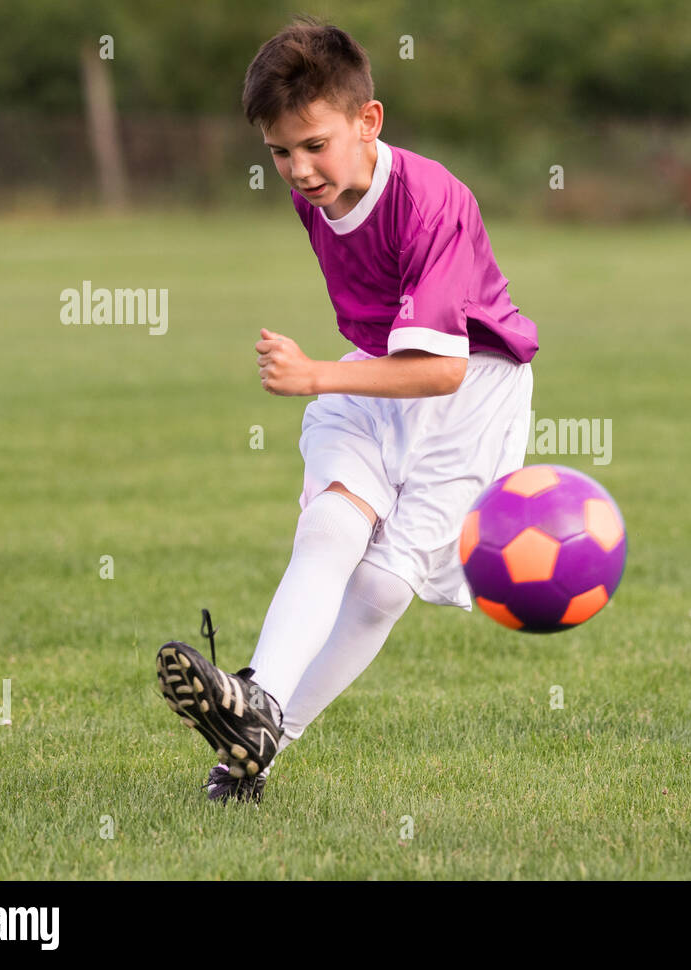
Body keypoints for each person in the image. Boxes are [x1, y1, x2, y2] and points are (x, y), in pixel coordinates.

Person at [156, 17, 538, 802]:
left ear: (370, 122)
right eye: (279, 153)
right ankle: (256, 698)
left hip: (468, 394)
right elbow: (393, 349)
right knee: (333, 521)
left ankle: (255, 750)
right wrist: (332, 377)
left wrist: (315, 376)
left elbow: (441, 370)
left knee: (382, 589)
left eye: (314, 145)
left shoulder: (433, 203)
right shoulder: (318, 194)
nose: (297, 170)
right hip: (371, 375)